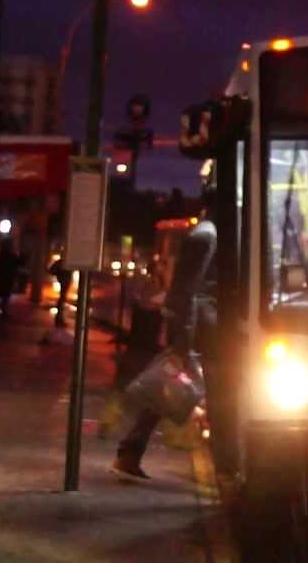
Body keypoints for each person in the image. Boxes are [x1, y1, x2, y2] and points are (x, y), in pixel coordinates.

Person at [113, 183, 218, 482]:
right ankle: (221, 457)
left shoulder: (206, 233)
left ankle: (130, 453)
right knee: (177, 389)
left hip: (198, 327)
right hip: (199, 329)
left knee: (170, 391)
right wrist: (183, 337)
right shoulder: (207, 236)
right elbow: (188, 290)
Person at [0, 238, 24, 320]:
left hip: (3, 276)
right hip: (8, 277)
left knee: (3, 294)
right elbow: (19, 262)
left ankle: (3, 310)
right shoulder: (10, 255)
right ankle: (4, 311)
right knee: (6, 294)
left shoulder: (1, 254)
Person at [48, 255, 74, 327]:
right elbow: (51, 270)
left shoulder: (61, 262)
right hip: (64, 281)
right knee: (62, 299)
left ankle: (59, 319)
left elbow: (50, 270)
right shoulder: (65, 262)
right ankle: (59, 319)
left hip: (63, 281)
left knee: (62, 299)